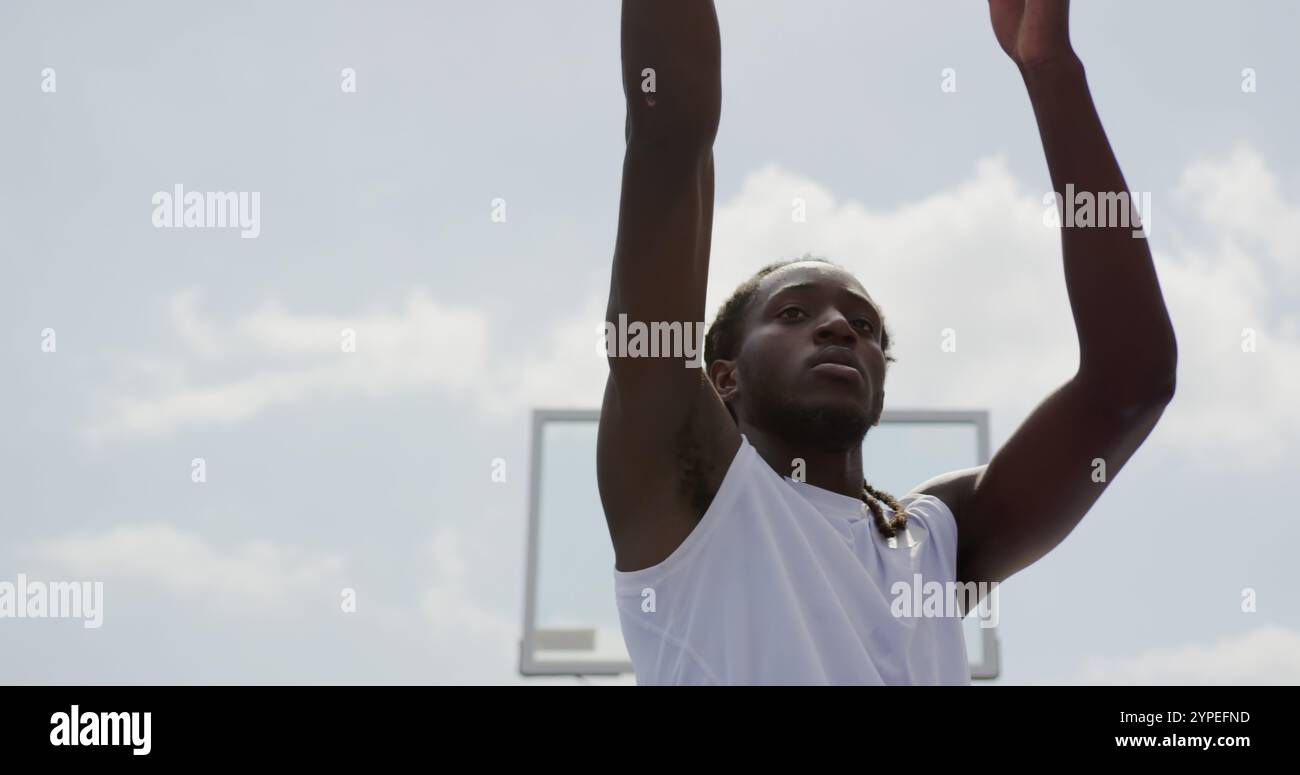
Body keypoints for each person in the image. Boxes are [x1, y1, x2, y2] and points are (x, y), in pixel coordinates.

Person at [597, 0, 1177, 685]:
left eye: (866, 325)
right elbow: (670, 137)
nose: (840, 327)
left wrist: (1051, 70)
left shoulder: (934, 541)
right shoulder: (686, 490)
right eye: (791, 313)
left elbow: (1129, 383)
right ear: (723, 376)